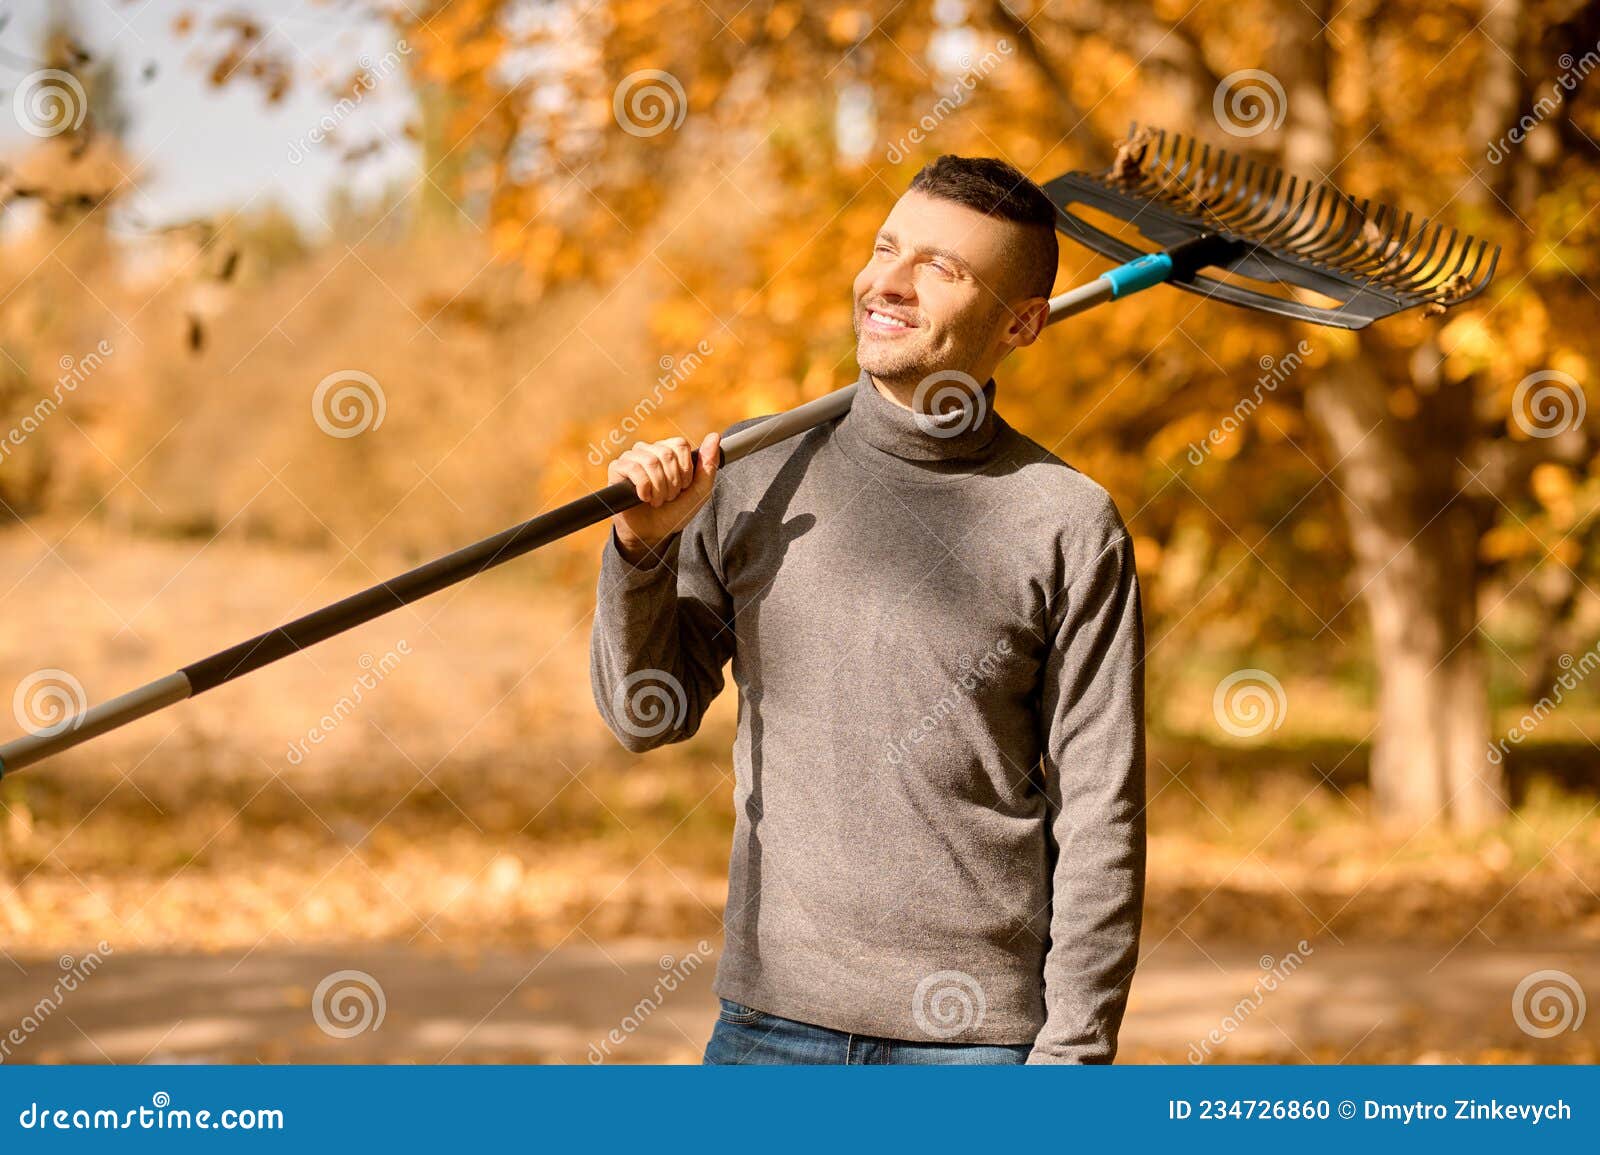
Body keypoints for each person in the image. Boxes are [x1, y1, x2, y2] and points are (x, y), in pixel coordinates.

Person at [590, 155, 1145, 1065]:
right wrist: (642, 548)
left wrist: (1072, 1059)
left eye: (942, 267)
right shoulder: (755, 476)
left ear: (1022, 322)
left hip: (972, 1046)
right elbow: (644, 715)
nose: (889, 282)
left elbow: (1102, 811)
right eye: (887, 248)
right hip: (768, 1029)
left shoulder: (1067, 522)